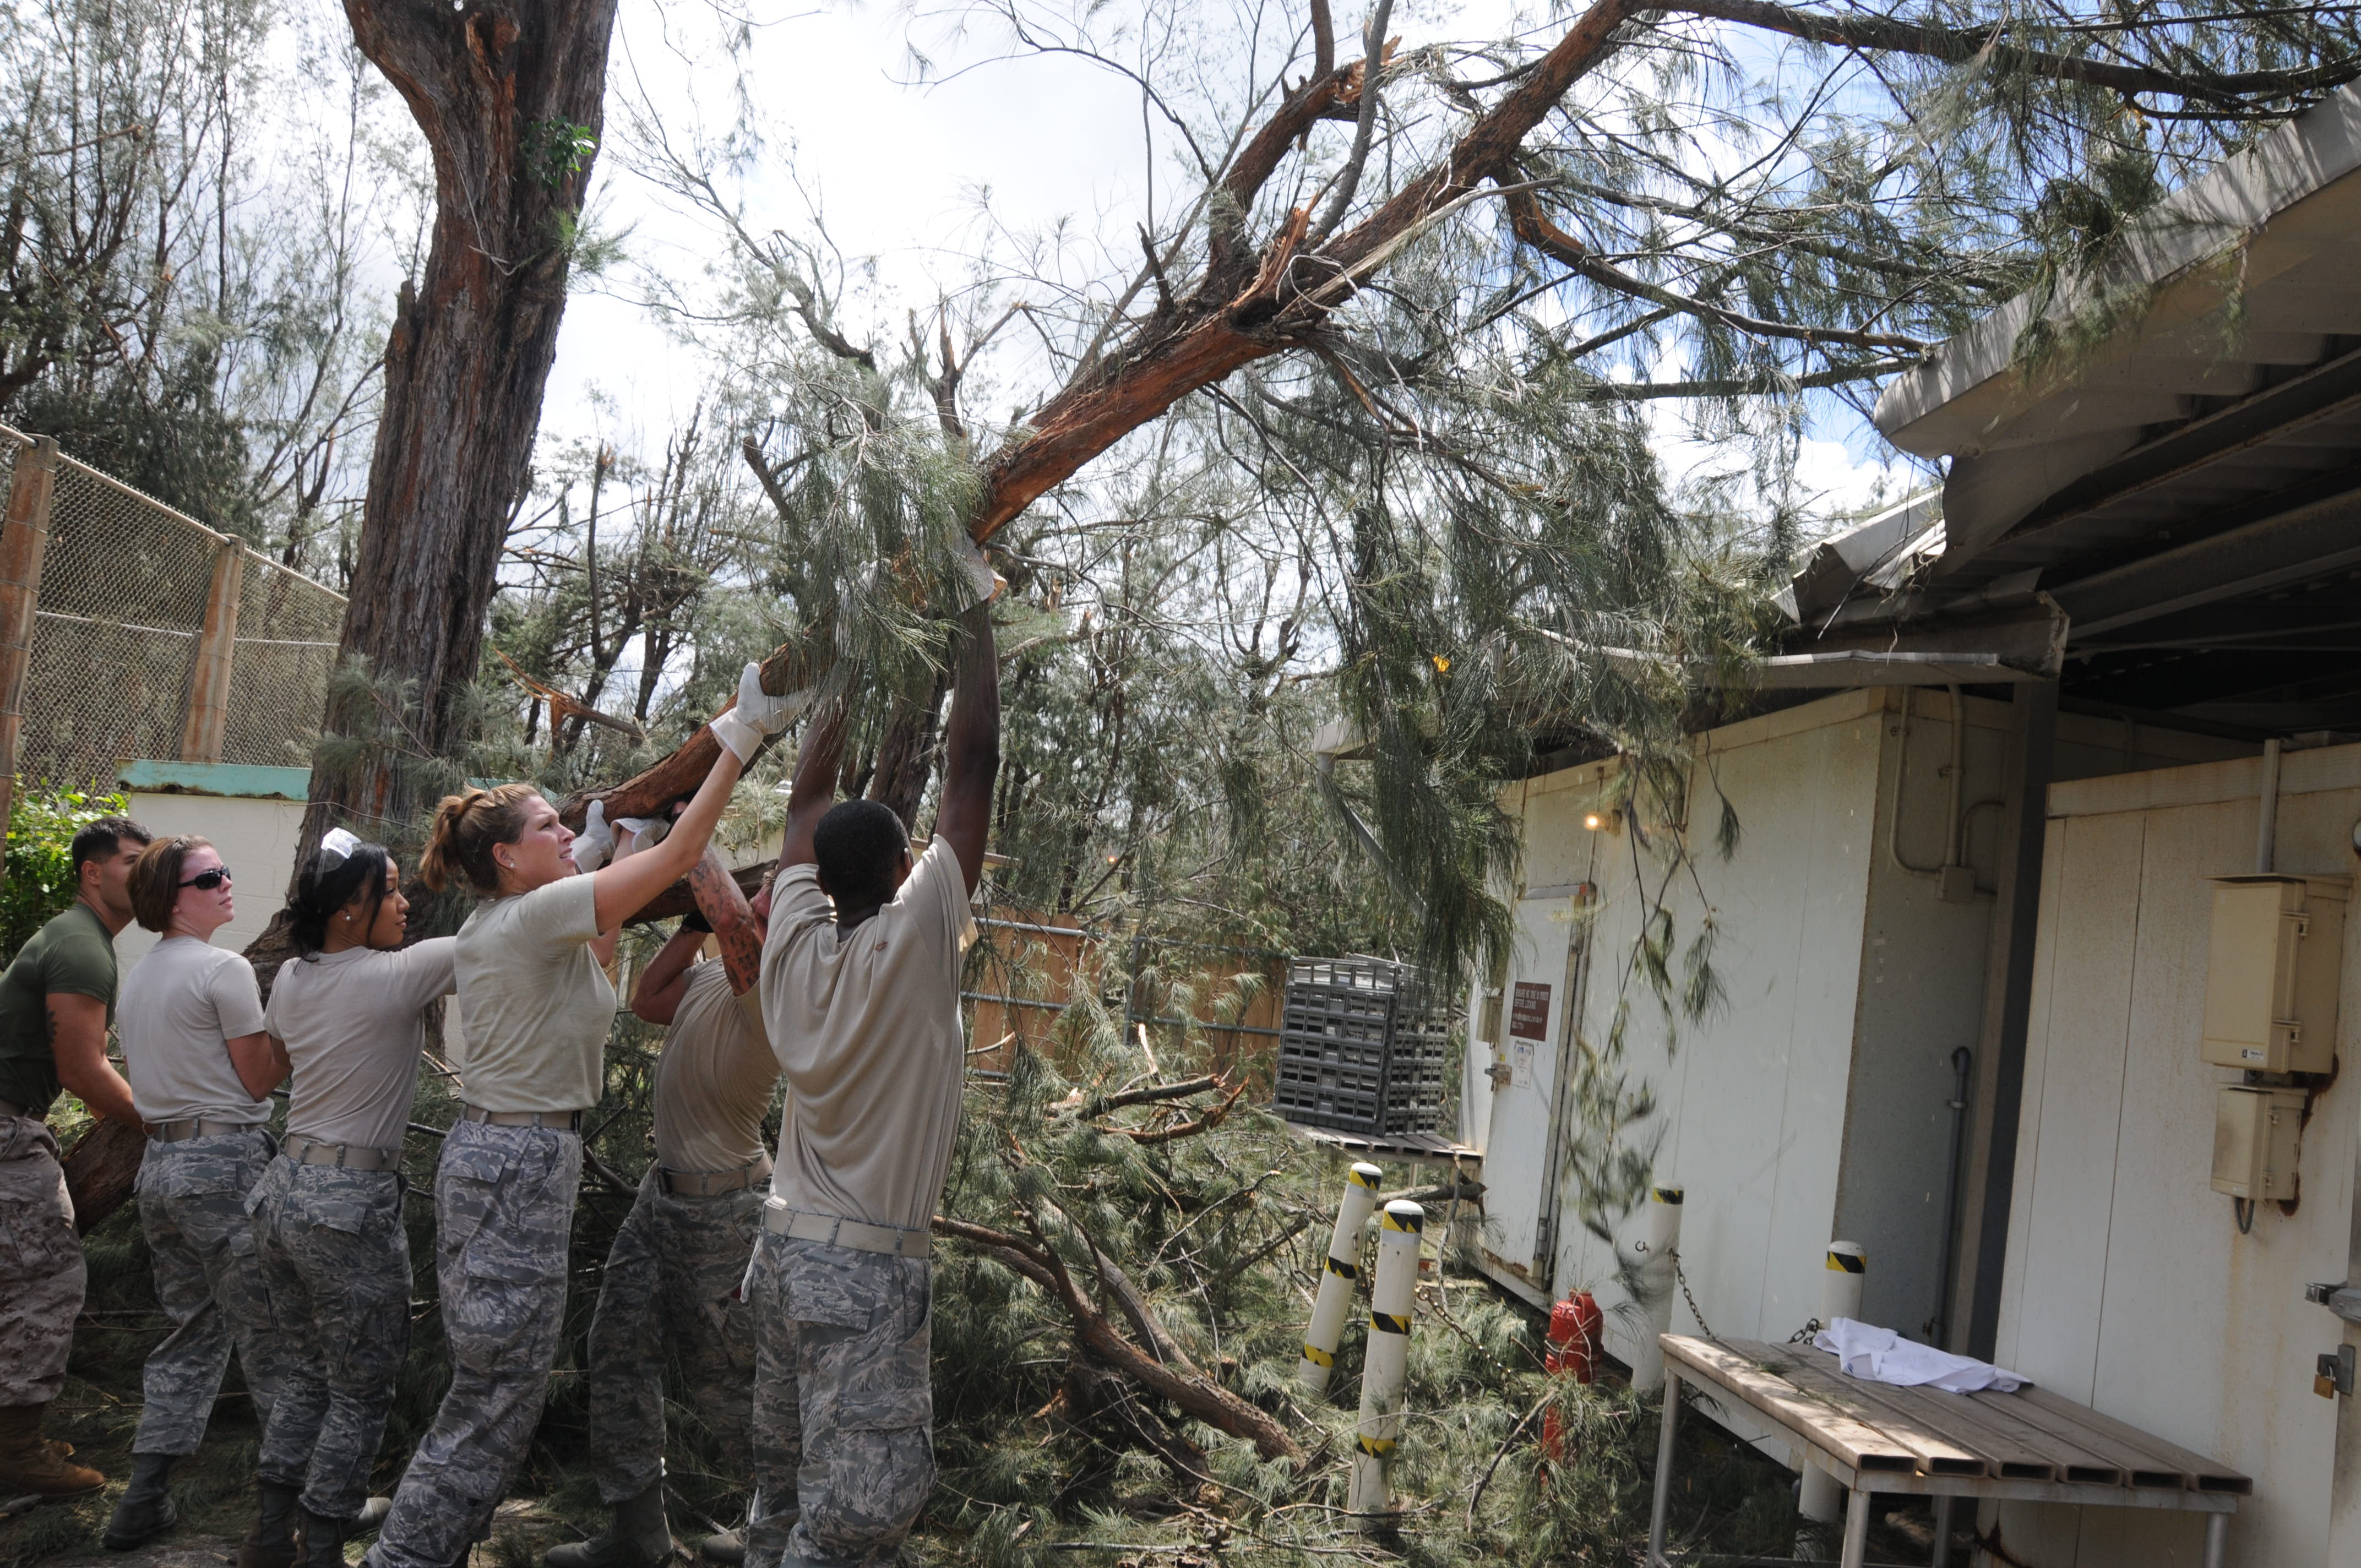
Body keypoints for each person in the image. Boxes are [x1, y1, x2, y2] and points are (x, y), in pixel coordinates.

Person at [362, 663, 799, 1568]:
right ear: (507, 860)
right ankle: (411, 1555)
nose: (568, 829)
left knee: (501, 1383)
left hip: (518, 1159)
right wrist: (741, 736)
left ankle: (440, 1546)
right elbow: (682, 861)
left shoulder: (527, 924)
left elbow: (601, 984)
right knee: (496, 1392)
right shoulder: (524, 918)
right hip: (514, 1163)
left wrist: (598, 851)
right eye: (550, 827)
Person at [745, 592, 998, 1568]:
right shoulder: (916, 940)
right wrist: (970, 607)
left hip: (779, 1261)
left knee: (780, 1495)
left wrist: (845, 654)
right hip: (862, 1272)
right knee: (855, 1519)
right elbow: (970, 767)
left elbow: (806, 808)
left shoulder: (793, 944)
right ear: (906, 867)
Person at [548, 850, 779, 1568]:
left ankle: (777, 1531)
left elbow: (730, 916)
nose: (761, 908)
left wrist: (687, 834)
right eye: (761, 899)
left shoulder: (775, 991)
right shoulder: (718, 974)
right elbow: (648, 998)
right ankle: (638, 1534)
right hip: (661, 1196)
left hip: (726, 1212)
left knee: (725, 1384)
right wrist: (688, 918)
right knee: (616, 1345)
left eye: (774, 906)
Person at [238, 831, 455, 1568]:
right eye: (387, 891)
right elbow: (510, 935)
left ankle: (270, 1539)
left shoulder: (295, 977)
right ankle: (323, 1544)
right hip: (347, 1204)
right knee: (361, 1390)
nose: (404, 903)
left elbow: (271, 1068)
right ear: (344, 913)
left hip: (284, 1193)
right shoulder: (400, 974)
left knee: (304, 1374)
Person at [108, 834, 292, 1550]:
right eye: (208, 876)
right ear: (171, 897)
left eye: (222, 871)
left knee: (191, 1330)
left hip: (159, 1168)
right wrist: (304, 1021)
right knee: (275, 1336)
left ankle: (141, 1499)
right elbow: (257, 1078)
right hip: (226, 1164)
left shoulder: (141, 976)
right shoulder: (223, 970)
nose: (225, 883)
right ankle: (284, 1525)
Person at [0, 815, 151, 1500]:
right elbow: (86, 1072)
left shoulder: (77, 936)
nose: (146, 875)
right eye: (132, 863)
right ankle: (17, 1453)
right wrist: (171, 1121)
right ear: (93, 872)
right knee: (47, 1279)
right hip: (6, 1130)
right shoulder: (82, 947)